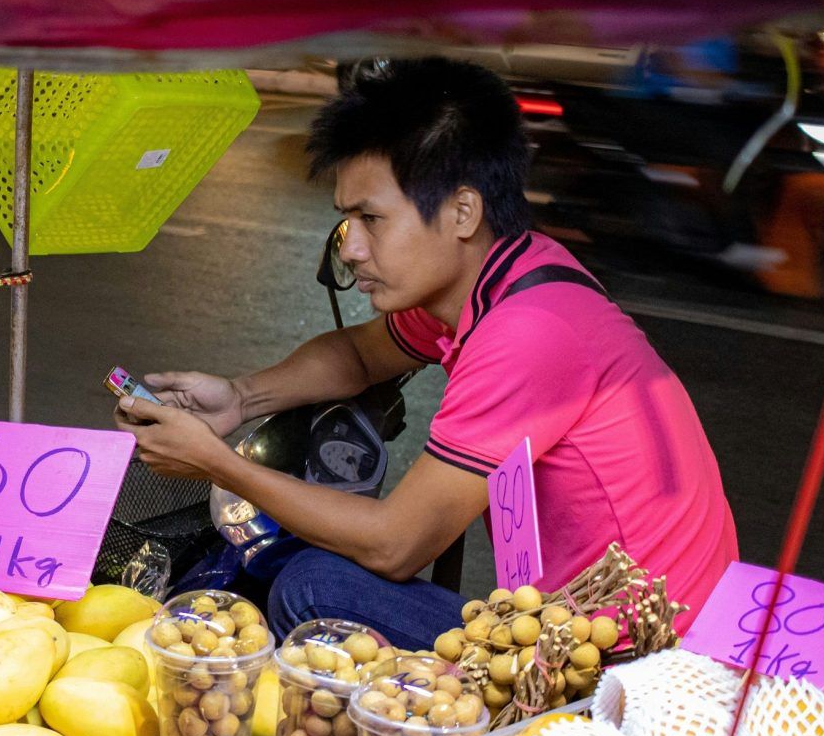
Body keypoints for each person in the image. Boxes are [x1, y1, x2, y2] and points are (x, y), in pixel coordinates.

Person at [114, 58, 738, 652]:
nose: (352, 248)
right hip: (563, 618)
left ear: (462, 211)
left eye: (372, 219)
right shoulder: (510, 273)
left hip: (632, 659)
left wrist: (219, 463)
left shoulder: (528, 334)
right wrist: (240, 398)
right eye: (346, 221)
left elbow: (397, 545)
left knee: (313, 590)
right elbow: (361, 356)